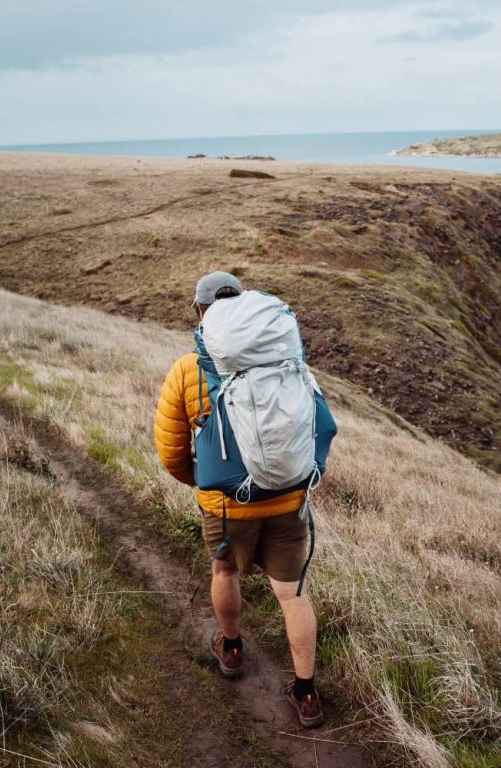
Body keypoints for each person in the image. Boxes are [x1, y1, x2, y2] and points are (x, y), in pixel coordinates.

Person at [154, 271, 324, 728]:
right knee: (293, 594)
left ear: (200, 311)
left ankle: (231, 648)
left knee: (225, 570)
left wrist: (201, 481)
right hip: (289, 499)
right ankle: (306, 693)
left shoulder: (189, 370)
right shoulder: (288, 361)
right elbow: (320, 425)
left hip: (227, 506)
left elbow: (170, 449)